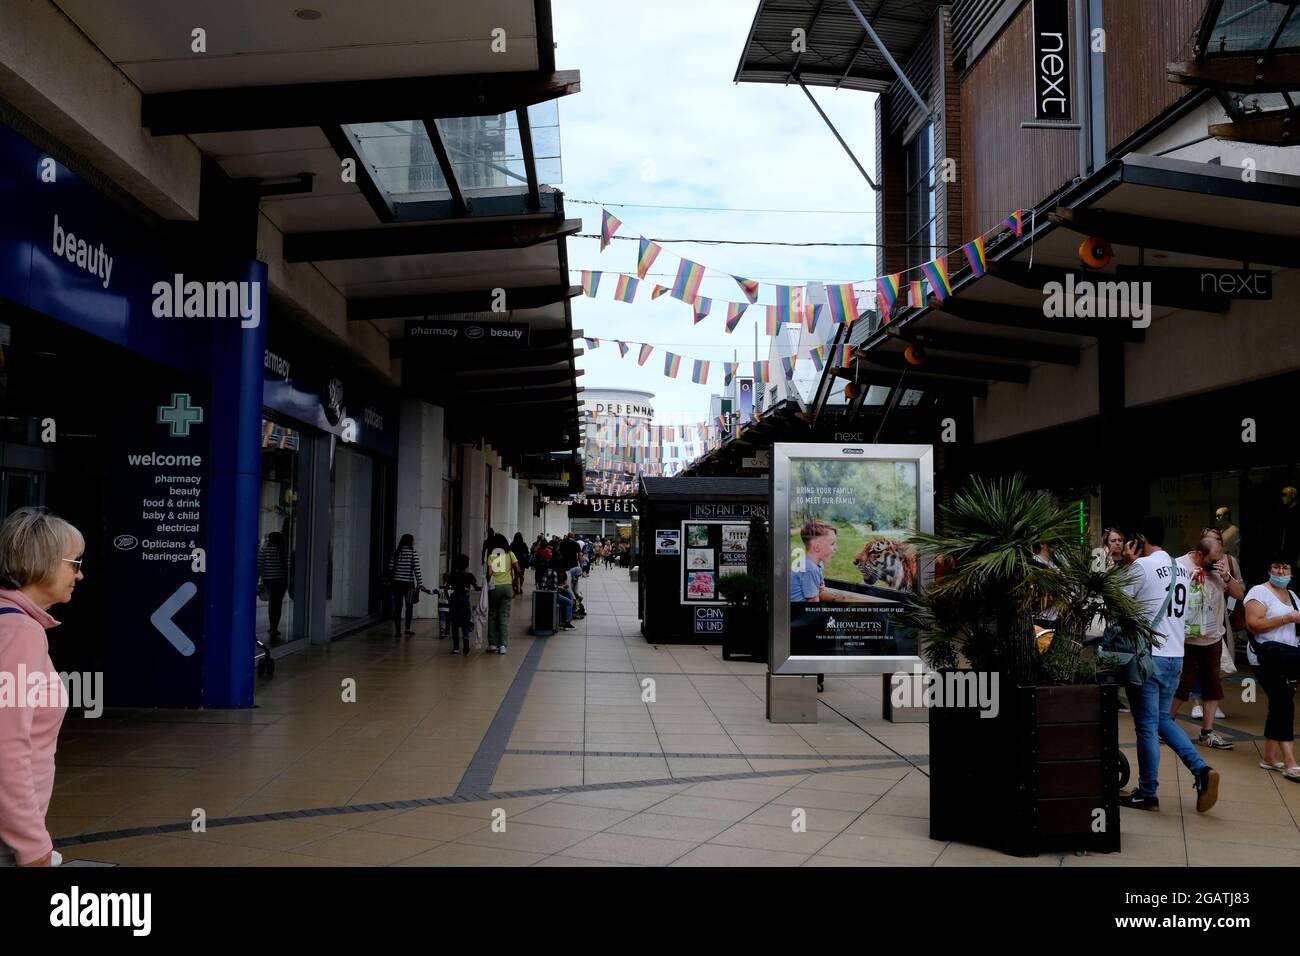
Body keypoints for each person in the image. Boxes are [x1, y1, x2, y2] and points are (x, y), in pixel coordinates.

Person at [0, 507, 84, 867]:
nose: (80, 575)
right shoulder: (20, 632)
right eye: (75, 563)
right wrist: (33, 846)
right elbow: (6, 747)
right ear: (44, 562)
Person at [1118, 517, 1220, 813]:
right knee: (1162, 719)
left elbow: (1118, 603)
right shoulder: (1181, 568)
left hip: (1149, 656)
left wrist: (1126, 564)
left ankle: (1147, 792)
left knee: (1147, 727)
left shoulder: (1141, 567)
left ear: (1139, 539)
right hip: (1176, 654)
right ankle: (1201, 769)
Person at [1171, 533, 1244, 749]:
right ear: (1199, 553)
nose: (1216, 563)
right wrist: (1187, 580)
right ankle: (1166, 723)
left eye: (1219, 558)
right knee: (1183, 683)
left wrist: (1227, 577)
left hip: (1212, 637)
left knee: (1213, 685)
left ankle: (1207, 731)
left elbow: (1240, 594)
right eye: (1212, 560)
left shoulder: (1221, 567)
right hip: (1186, 637)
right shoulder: (1179, 565)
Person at [1243, 558, 1300, 780]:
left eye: (1285, 567)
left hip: (1289, 657)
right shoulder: (1259, 592)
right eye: (1276, 567)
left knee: (1280, 703)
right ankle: (1289, 761)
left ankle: (1269, 757)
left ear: (1291, 573)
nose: (1280, 571)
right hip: (1265, 657)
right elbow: (1253, 624)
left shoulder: (1294, 597)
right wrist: (1286, 618)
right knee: (1284, 704)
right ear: (1269, 570)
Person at [792, 520, 837, 694]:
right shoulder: (809, 568)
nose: (835, 548)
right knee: (822, 635)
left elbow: (821, 590)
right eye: (832, 544)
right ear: (817, 547)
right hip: (801, 617)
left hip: (800, 615)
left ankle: (815, 677)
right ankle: (815, 678)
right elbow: (813, 602)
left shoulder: (815, 564)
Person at [485, 533, 517, 654]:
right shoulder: (510, 554)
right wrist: (514, 582)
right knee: (504, 616)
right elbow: (518, 569)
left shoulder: (492, 555)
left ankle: (492, 644)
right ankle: (502, 645)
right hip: (507, 586)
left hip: (495, 588)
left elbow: (489, 573)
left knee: (493, 614)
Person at [386, 533, 423, 638]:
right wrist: (420, 584)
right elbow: (417, 570)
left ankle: (398, 631)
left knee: (398, 607)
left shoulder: (396, 553)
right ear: (410, 541)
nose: (414, 542)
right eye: (413, 540)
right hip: (409, 584)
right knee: (409, 606)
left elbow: (390, 568)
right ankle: (407, 628)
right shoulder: (413, 553)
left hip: (396, 584)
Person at [257, 530, 289, 640]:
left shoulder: (264, 550)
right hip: (281, 581)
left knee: (272, 603)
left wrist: (258, 578)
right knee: (278, 604)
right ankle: (275, 627)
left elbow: (259, 564)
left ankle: (272, 626)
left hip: (268, 581)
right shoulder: (283, 551)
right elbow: (288, 566)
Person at [445, 554, 478, 655]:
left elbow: (446, 587)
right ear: (466, 565)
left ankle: (456, 648)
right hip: (464, 600)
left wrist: (448, 598)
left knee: (454, 624)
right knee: (465, 623)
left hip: (454, 599)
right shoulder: (469, 576)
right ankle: (466, 643)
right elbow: (476, 588)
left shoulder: (452, 576)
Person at [510, 532, 530, 596]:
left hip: (515, 562)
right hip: (522, 562)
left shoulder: (512, 544)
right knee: (521, 575)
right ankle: (520, 587)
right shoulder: (523, 544)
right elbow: (527, 552)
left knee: (516, 575)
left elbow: (510, 552)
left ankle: (516, 587)